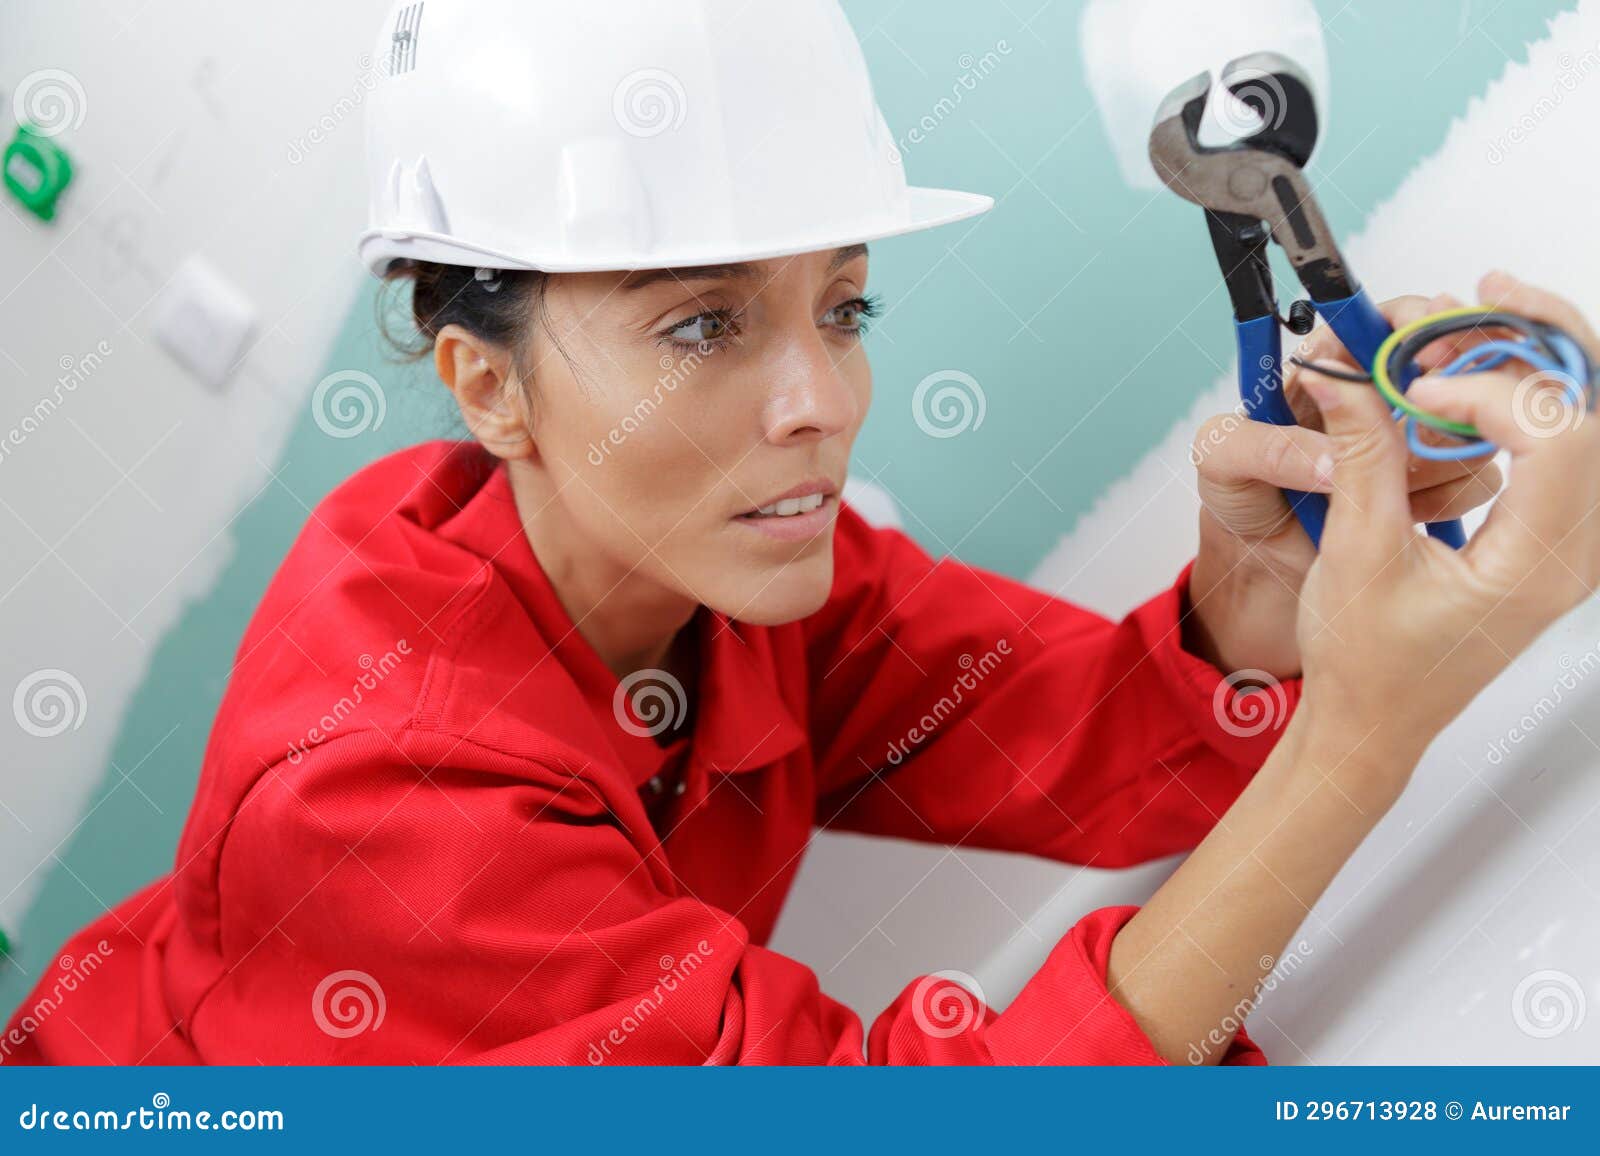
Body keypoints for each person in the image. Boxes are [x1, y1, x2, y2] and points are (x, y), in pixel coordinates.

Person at [6, 0, 1597, 1066]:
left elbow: (1065, 738)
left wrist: (1257, 604)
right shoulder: (381, 810)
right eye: (705, 326)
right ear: (485, 382)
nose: (821, 400)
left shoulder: (724, 568)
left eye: (845, 305)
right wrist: (1362, 743)